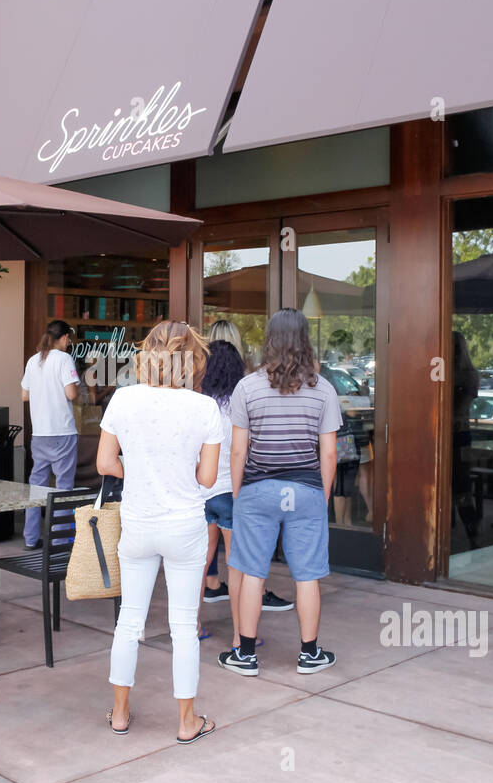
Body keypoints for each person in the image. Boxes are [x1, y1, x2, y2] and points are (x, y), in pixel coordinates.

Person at [97, 321, 223, 744]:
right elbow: (207, 479)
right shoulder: (204, 408)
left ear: (147, 355)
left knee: (128, 621)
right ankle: (187, 723)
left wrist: (137, 470)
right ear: (194, 359)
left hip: (137, 522)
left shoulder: (124, 398)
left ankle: (119, 713)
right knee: (183, 625)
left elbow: (104, 463)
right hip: (185, 526)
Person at [220, 308, 340, 677]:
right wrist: (322, 497)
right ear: (305, 340)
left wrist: (239, 494)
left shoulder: (247, 387)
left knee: (253, 573)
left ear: (270, 339)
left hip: (258, 488)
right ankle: (309, 654)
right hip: (304, 489)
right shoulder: (323, 389)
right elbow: (330, 453)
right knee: (307, 576)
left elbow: (238, 450)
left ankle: (246, 655)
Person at [196, 340, 292, 643]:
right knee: (237, 567)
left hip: (199, 493)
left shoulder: (196, 405)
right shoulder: (242, 405)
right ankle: (240, 637)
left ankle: (193, 627)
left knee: (198, 563)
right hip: (231, 493)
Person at [21, 320, 80, 550]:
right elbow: (71, 393)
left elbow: (24, 395)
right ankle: (59, 539)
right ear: (65, 338)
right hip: (62, 432)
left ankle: (30, 537)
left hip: (40, 434)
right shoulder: (64, 359)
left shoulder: (33, 360)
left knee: (36, 487)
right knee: (63, 488)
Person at [450, 331, 481, 546]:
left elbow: (459, 411)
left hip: (457, 434)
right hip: (455, 433)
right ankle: (472, 537)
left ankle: (472, 536)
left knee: (461, 486)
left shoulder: (466, 375)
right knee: (460, 487)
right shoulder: (467, 375)